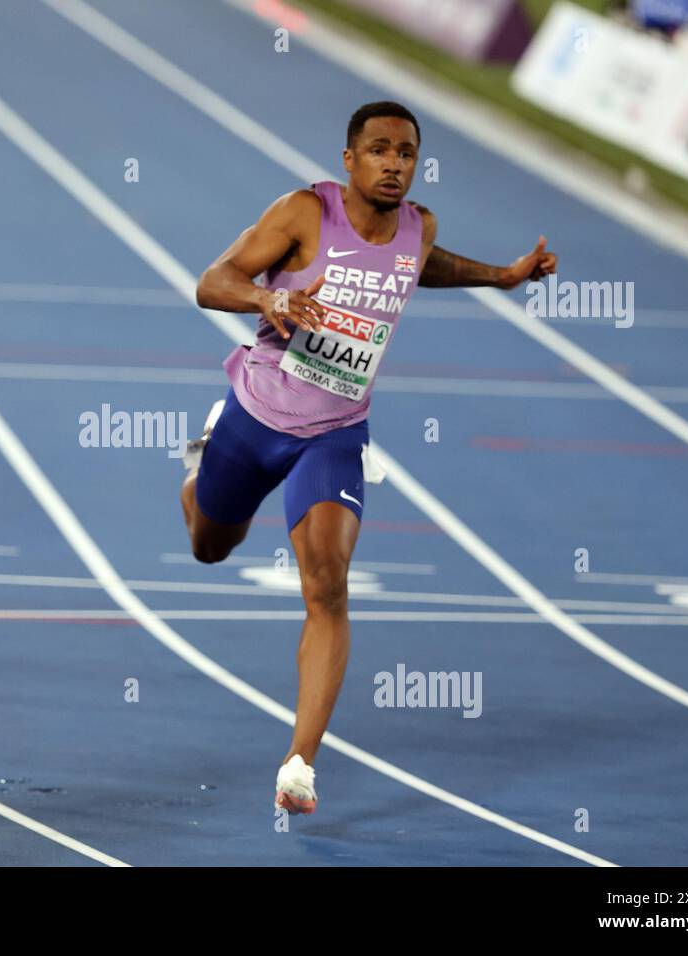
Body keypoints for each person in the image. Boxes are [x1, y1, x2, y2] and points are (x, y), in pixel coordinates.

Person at [184, 101, 556, 815]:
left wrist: (501, 277)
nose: (394, 163)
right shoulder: (303, 214)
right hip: (258, 414)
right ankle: (202, 472)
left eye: (407, 152)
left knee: (327, 585)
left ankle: (300, 762)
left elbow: (421, 266)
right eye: (380, 150)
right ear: (349, 160)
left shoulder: (420, 228)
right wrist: (270, 301)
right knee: (208, 544)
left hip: (337, 432)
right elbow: (212, 281)